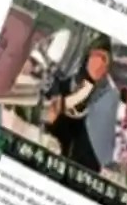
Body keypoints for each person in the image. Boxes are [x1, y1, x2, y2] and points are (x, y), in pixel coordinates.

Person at [44, 34, 119, 172]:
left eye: (104, 60)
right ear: (88, 55)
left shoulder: (105, 95)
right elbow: (49, 112)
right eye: (97, 56)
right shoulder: (67, 78)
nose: (99, 63)